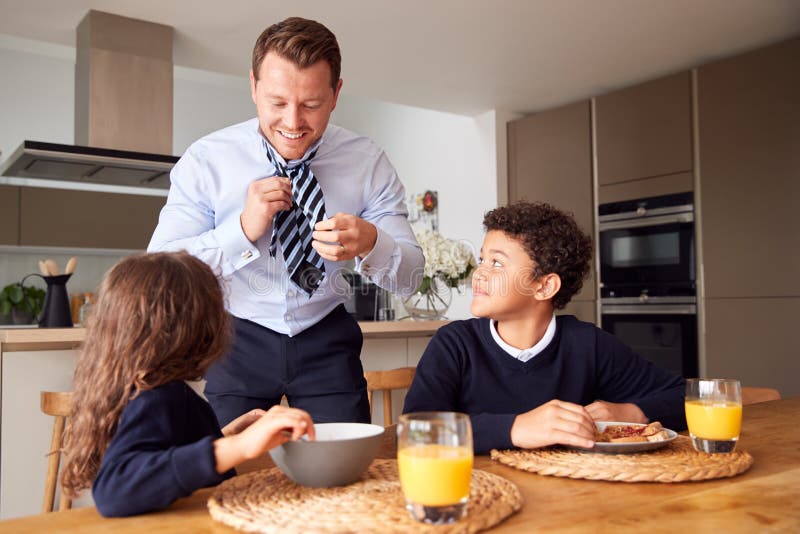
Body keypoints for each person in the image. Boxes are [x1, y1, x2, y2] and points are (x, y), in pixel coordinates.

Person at [148, 17, 423, 427]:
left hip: (326, 339)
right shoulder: (207, 160)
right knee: (227, 476)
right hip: (235, 338)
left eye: (311, 104)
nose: (293, 123)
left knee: (342, 475)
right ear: (254, 87)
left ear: (336, 94)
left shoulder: (367, 163)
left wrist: (371, 242)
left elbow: (411, 277)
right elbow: (160, 271)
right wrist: (240, 230)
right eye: (278, 102)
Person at [403, 201, 686, 454]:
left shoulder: (588, 345)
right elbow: (417, 430)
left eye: (497, 263)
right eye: (482, 260)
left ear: (544, 286)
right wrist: (516, 428)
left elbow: (684, 397)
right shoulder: (454, 344)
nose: (479, 273)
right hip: (478, 493)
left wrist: (631, 412)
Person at [59, 252, 315, 517]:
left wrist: (224, 437)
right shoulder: (155, 398)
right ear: (197, 327)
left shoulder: (147, 389)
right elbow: (114, 491)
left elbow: (164, 455)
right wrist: (239, 447)